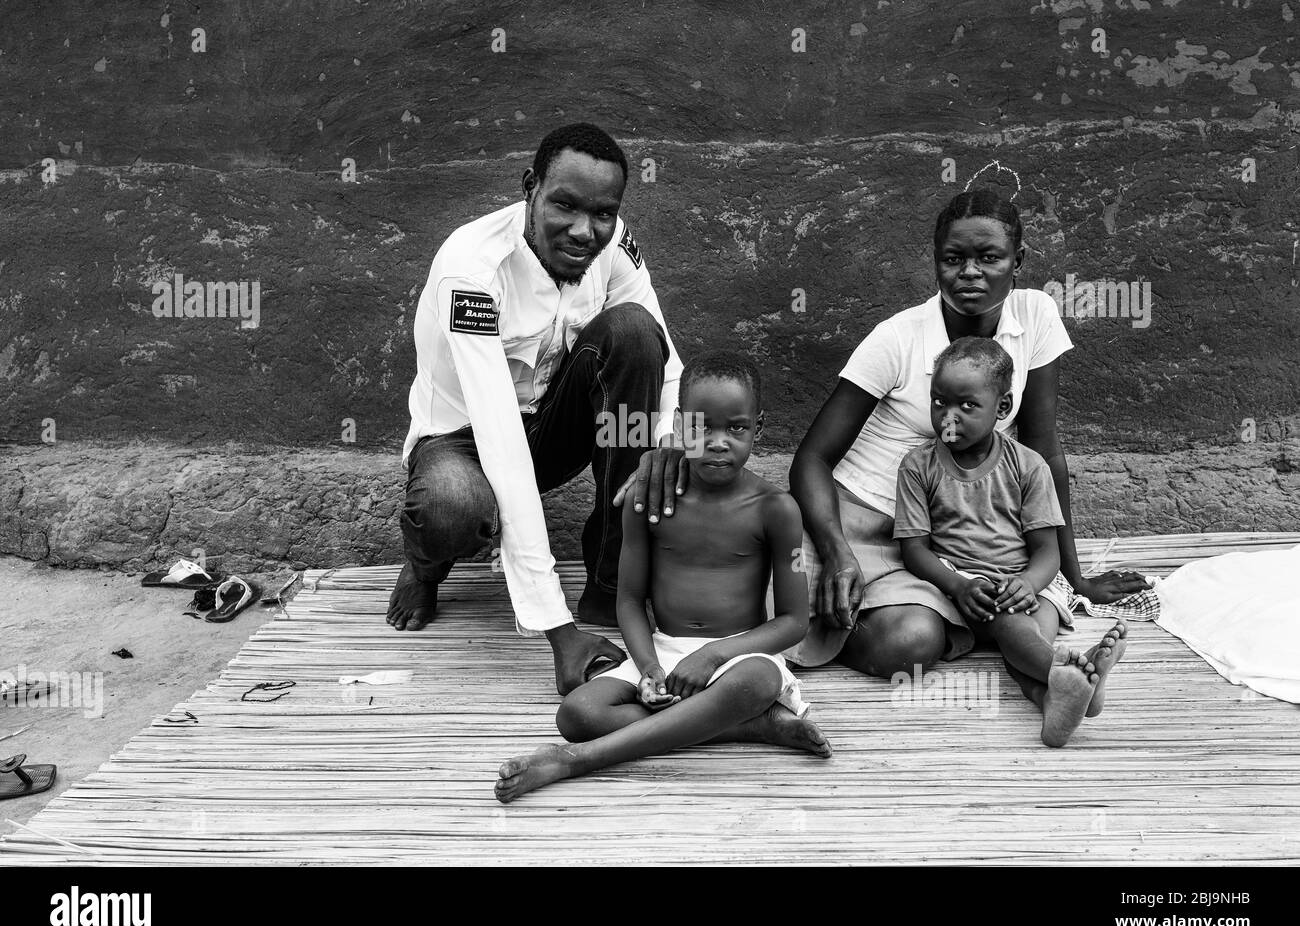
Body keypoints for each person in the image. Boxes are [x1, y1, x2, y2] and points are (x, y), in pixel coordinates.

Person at [786, 187, 1148, 677]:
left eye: (989, 257)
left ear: (1018, 261)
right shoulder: (898, 337)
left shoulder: (1035, 314)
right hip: (863, 521)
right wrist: (836, 553)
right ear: (935, 262)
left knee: (993, 610)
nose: (970, 273)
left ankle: (1044, 674)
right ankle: (848, 620)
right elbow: (812, 459)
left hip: (957, 533)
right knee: (911, 644)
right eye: (954, 259)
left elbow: (1044, 447)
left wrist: (1073, 576)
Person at [389, 123, 684, 696]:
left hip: (550, 428)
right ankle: (426, 567)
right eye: (565, 206)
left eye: (602, 212)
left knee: (632, 332)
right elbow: (497, 433)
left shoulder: (613, 242)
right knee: (453, 505)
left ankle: (608, 580)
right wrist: (557, 629)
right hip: (465, 438)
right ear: (530, 188)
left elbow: (663, 356)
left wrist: (667, 441)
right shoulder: (471, 271)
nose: (584, 231)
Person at [495, 352, 831, 803]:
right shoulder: (648, 499)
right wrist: (650, 667)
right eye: (700, 427)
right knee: (578, 713)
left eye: (736, 428)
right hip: (664, 651)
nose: (717, 442)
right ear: (677, 423)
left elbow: (794, 622)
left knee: (756, 682)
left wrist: (713, 656)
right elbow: (630, 601)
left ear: (759, 429)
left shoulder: (777, 509)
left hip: (737, 654)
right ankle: (750, 726)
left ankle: (574, 760)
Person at [894, 336, 1126, 747]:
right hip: (965, 586)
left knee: (1027, 638)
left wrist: (1029, 583)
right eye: (938, 403)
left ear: (1002, 408)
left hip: (1030, 583)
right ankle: (1075, 671)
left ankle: (1055, 699)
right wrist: (958, 585)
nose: (949, 418)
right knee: (1015, 627)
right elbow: (914, 549)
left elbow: (1046, 551)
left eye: (967, 406)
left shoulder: (1028, 465)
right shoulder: (918, 466)